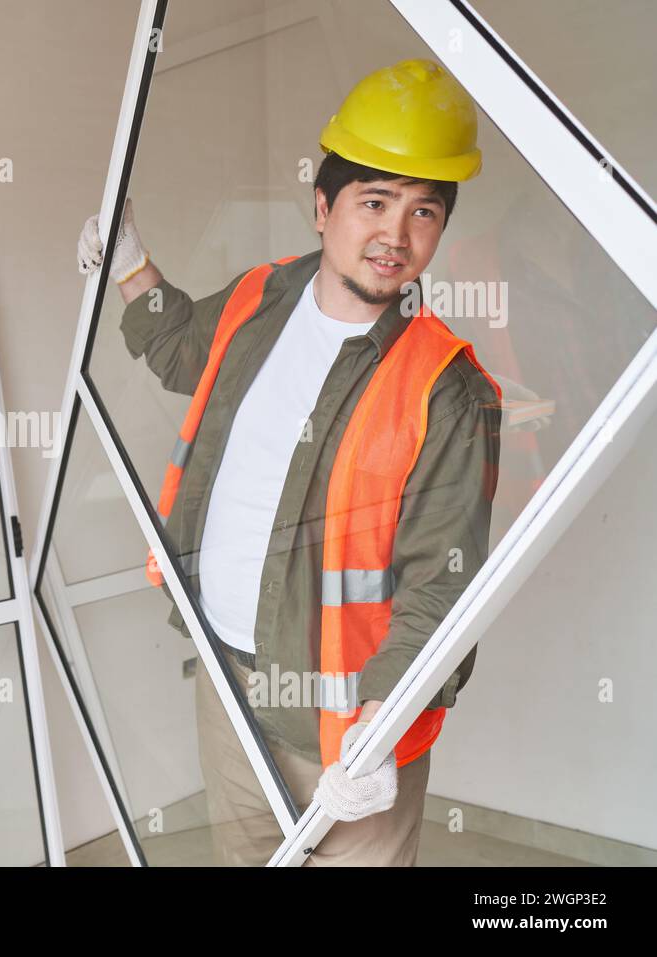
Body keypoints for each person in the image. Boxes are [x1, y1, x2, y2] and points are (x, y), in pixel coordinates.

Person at [77, 59, 504, 865]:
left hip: (346, 728)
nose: (396, 235)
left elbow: (443, 580)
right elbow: (181, 351)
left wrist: (383, 721)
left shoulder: (447, 390)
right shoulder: (262, 298)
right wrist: (131, 263)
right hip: (227, 679)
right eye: (374, 202)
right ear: (322, 206)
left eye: (424, 212)